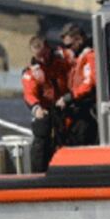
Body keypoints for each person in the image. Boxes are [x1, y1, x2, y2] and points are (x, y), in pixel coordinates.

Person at [21, 35, 68, 172]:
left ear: (48, 49)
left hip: (64, 107)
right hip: (45, 110)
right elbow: (29, 93)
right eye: (38, 56)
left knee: (69, 136)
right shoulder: (32, 72)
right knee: (41, 137)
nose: (42, 59)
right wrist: (37, 108)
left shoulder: (61, 60)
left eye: (44, 55)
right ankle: (39, 173)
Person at [56, 22, 99, 145]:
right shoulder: (78, 56)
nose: (68, 49)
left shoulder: (90, 55)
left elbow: (89, 82)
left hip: (87, 109)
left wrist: (69, 97)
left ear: (79, 39)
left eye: (69, 45)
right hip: (76, 107)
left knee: (81, 138)